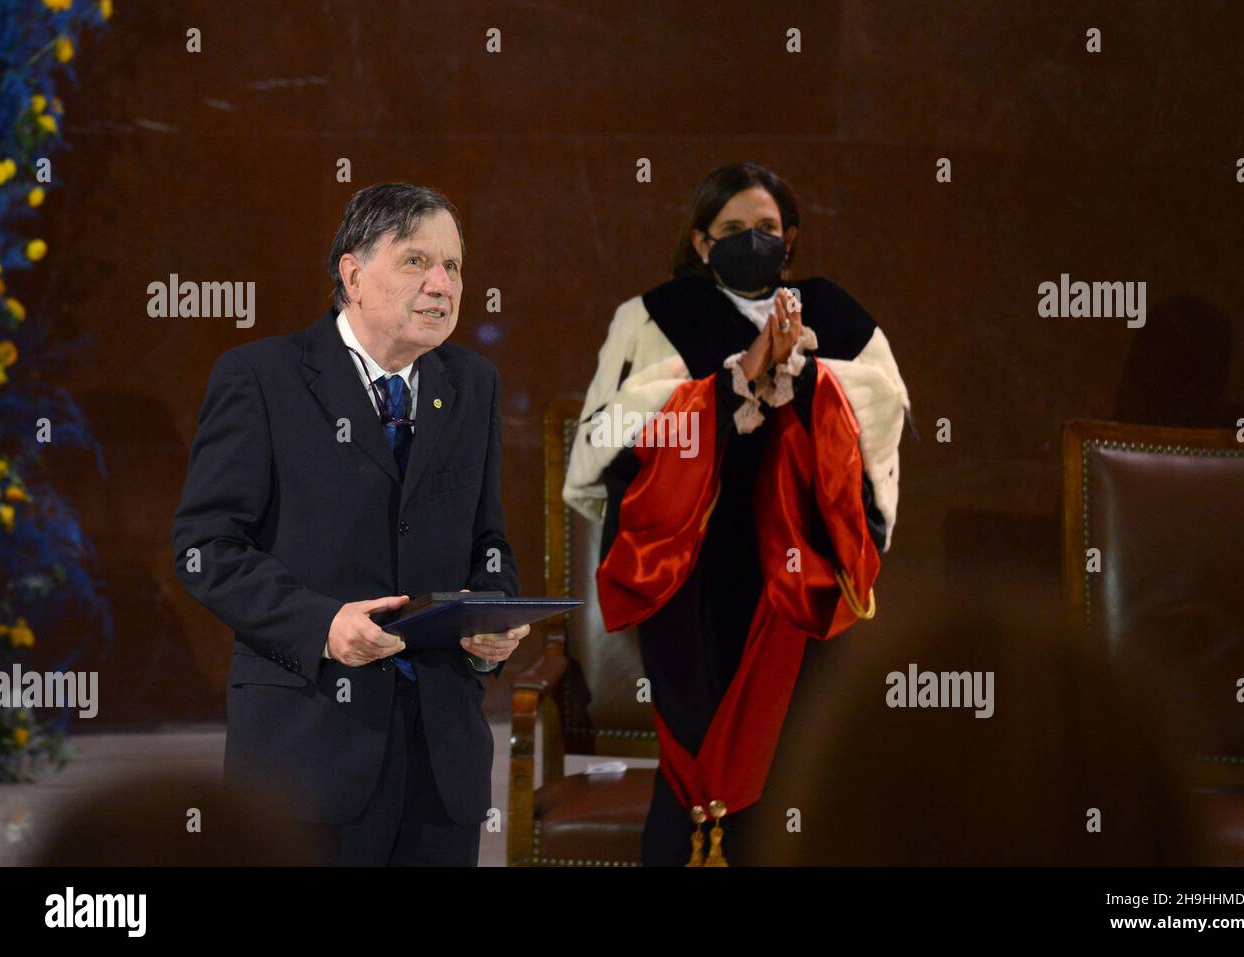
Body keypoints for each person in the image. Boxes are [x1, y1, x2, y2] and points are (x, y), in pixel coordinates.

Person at [563, 162, 911, 865]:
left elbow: (880, 434)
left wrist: (806, 377)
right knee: (692, 782)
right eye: (730, 230)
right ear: (699, 242)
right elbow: (604, 447)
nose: (750, 241)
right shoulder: (653, 318)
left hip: (797, 588)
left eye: (765, 229)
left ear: (790, 241)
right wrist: (732, 385)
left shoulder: (837, 317)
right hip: (690, 585)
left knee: (793, 778)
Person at [172, 183, 529, 866]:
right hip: (304, 755)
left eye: (453, 266)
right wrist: (322, 625)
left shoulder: (472, 384)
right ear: (353, 273)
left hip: (441, 762)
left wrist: (493, 612)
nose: (441, 283)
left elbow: (488, 541)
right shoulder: (261, 378)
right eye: (417, 261)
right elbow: (205, 548)